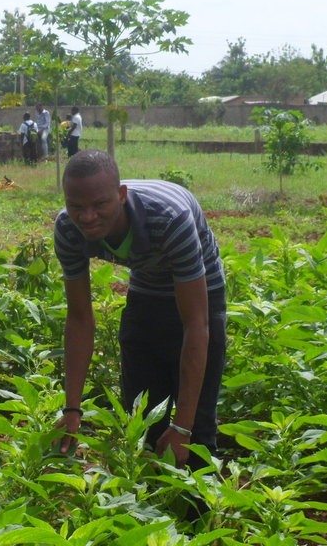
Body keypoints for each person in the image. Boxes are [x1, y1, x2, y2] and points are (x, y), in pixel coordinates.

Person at [53, 149, 227, 472]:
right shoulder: (68, 229)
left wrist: (183, 427)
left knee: (195, 429)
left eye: (99, 204)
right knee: (143, 416)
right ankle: (148, 493)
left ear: (121, 196)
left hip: (201, 286)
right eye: (76, 206)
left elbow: (196, 324)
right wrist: (72, 408)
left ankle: (197, 498)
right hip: (146, 282)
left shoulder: (170, 219)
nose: (87, 217)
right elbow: (79, 318)